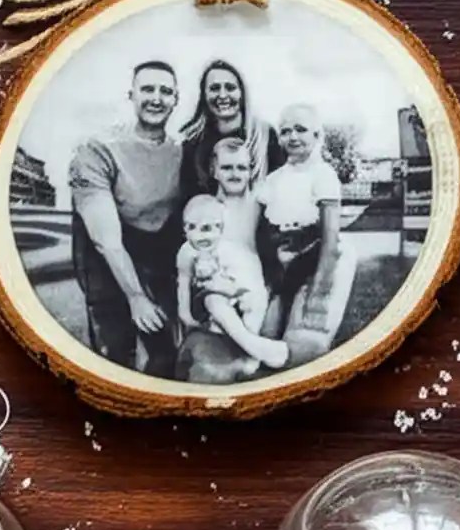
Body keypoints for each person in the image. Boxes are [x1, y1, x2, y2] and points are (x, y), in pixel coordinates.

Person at [68, 61, 184, 376]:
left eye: (166, 91)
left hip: (153, 248)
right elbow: (106, 239)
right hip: (103, 253)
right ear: (131, 95)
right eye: (147, 89)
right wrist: (135, 297)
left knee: (167, 352)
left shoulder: (180, 151)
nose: (156, 98)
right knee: (115, 353)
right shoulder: (97, 149)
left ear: (176, 99)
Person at [256, 103, 359, 366]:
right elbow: (262, 226)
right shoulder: (273, 179)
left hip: (312, 257)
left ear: (317, 134)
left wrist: (320, 289)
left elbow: (330, 235)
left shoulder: (323, 175)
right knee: (266, 337)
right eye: (285, 131)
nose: (292, 136)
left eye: (300, 129)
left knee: (302, 346)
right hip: (281, 262)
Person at [174, 195, 288, 376]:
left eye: (207, 228)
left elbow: (239, 286)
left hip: (234, 292)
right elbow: (183, 283)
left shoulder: (228, 251)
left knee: (255, 300)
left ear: (220, 229)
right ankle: (252, 347)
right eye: (191, 227)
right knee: (213, 301)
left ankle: (252, 348)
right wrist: (185, 315)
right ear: (184, 230)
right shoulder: (186, 253)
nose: (200, 235)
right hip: (208, 300)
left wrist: (232, 291)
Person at [179, 60, 285, 200]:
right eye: (214, 88)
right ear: (204, 95)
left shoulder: (264, 136)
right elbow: (187, 198)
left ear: (242, 93)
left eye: (230, 88)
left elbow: (280, 191)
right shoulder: (193, 144)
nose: (223, 95)